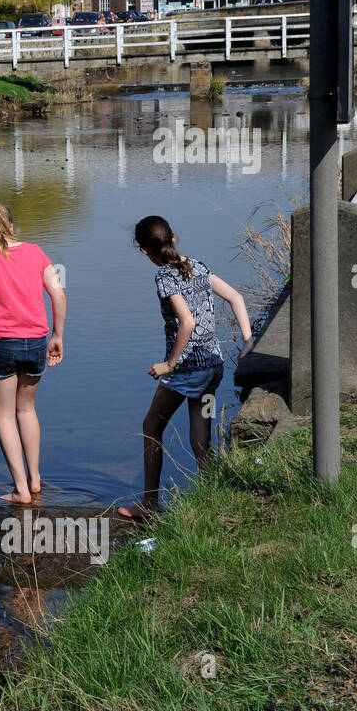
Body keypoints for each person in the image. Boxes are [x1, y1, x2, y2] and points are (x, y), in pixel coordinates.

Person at [123, 216, 254, 521]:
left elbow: (188, 322)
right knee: (200, 440)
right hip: (213, 365)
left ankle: (149, 504)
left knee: (151, 426)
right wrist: (247, 340)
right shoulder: (197, 264)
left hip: (187, 370)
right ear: (174, 238)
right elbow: (236, 297)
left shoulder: (164, 277)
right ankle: (213, 501)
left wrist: (169, 364)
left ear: (144, 251)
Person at [0, 202, 66, 505]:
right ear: (11, 226)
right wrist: (57, 335)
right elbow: (59, 294)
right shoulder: (36, 252)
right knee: (27, 410)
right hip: (36, 341)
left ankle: (20, 489)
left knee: (4, 415)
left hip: (1, 344)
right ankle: (35, 480)